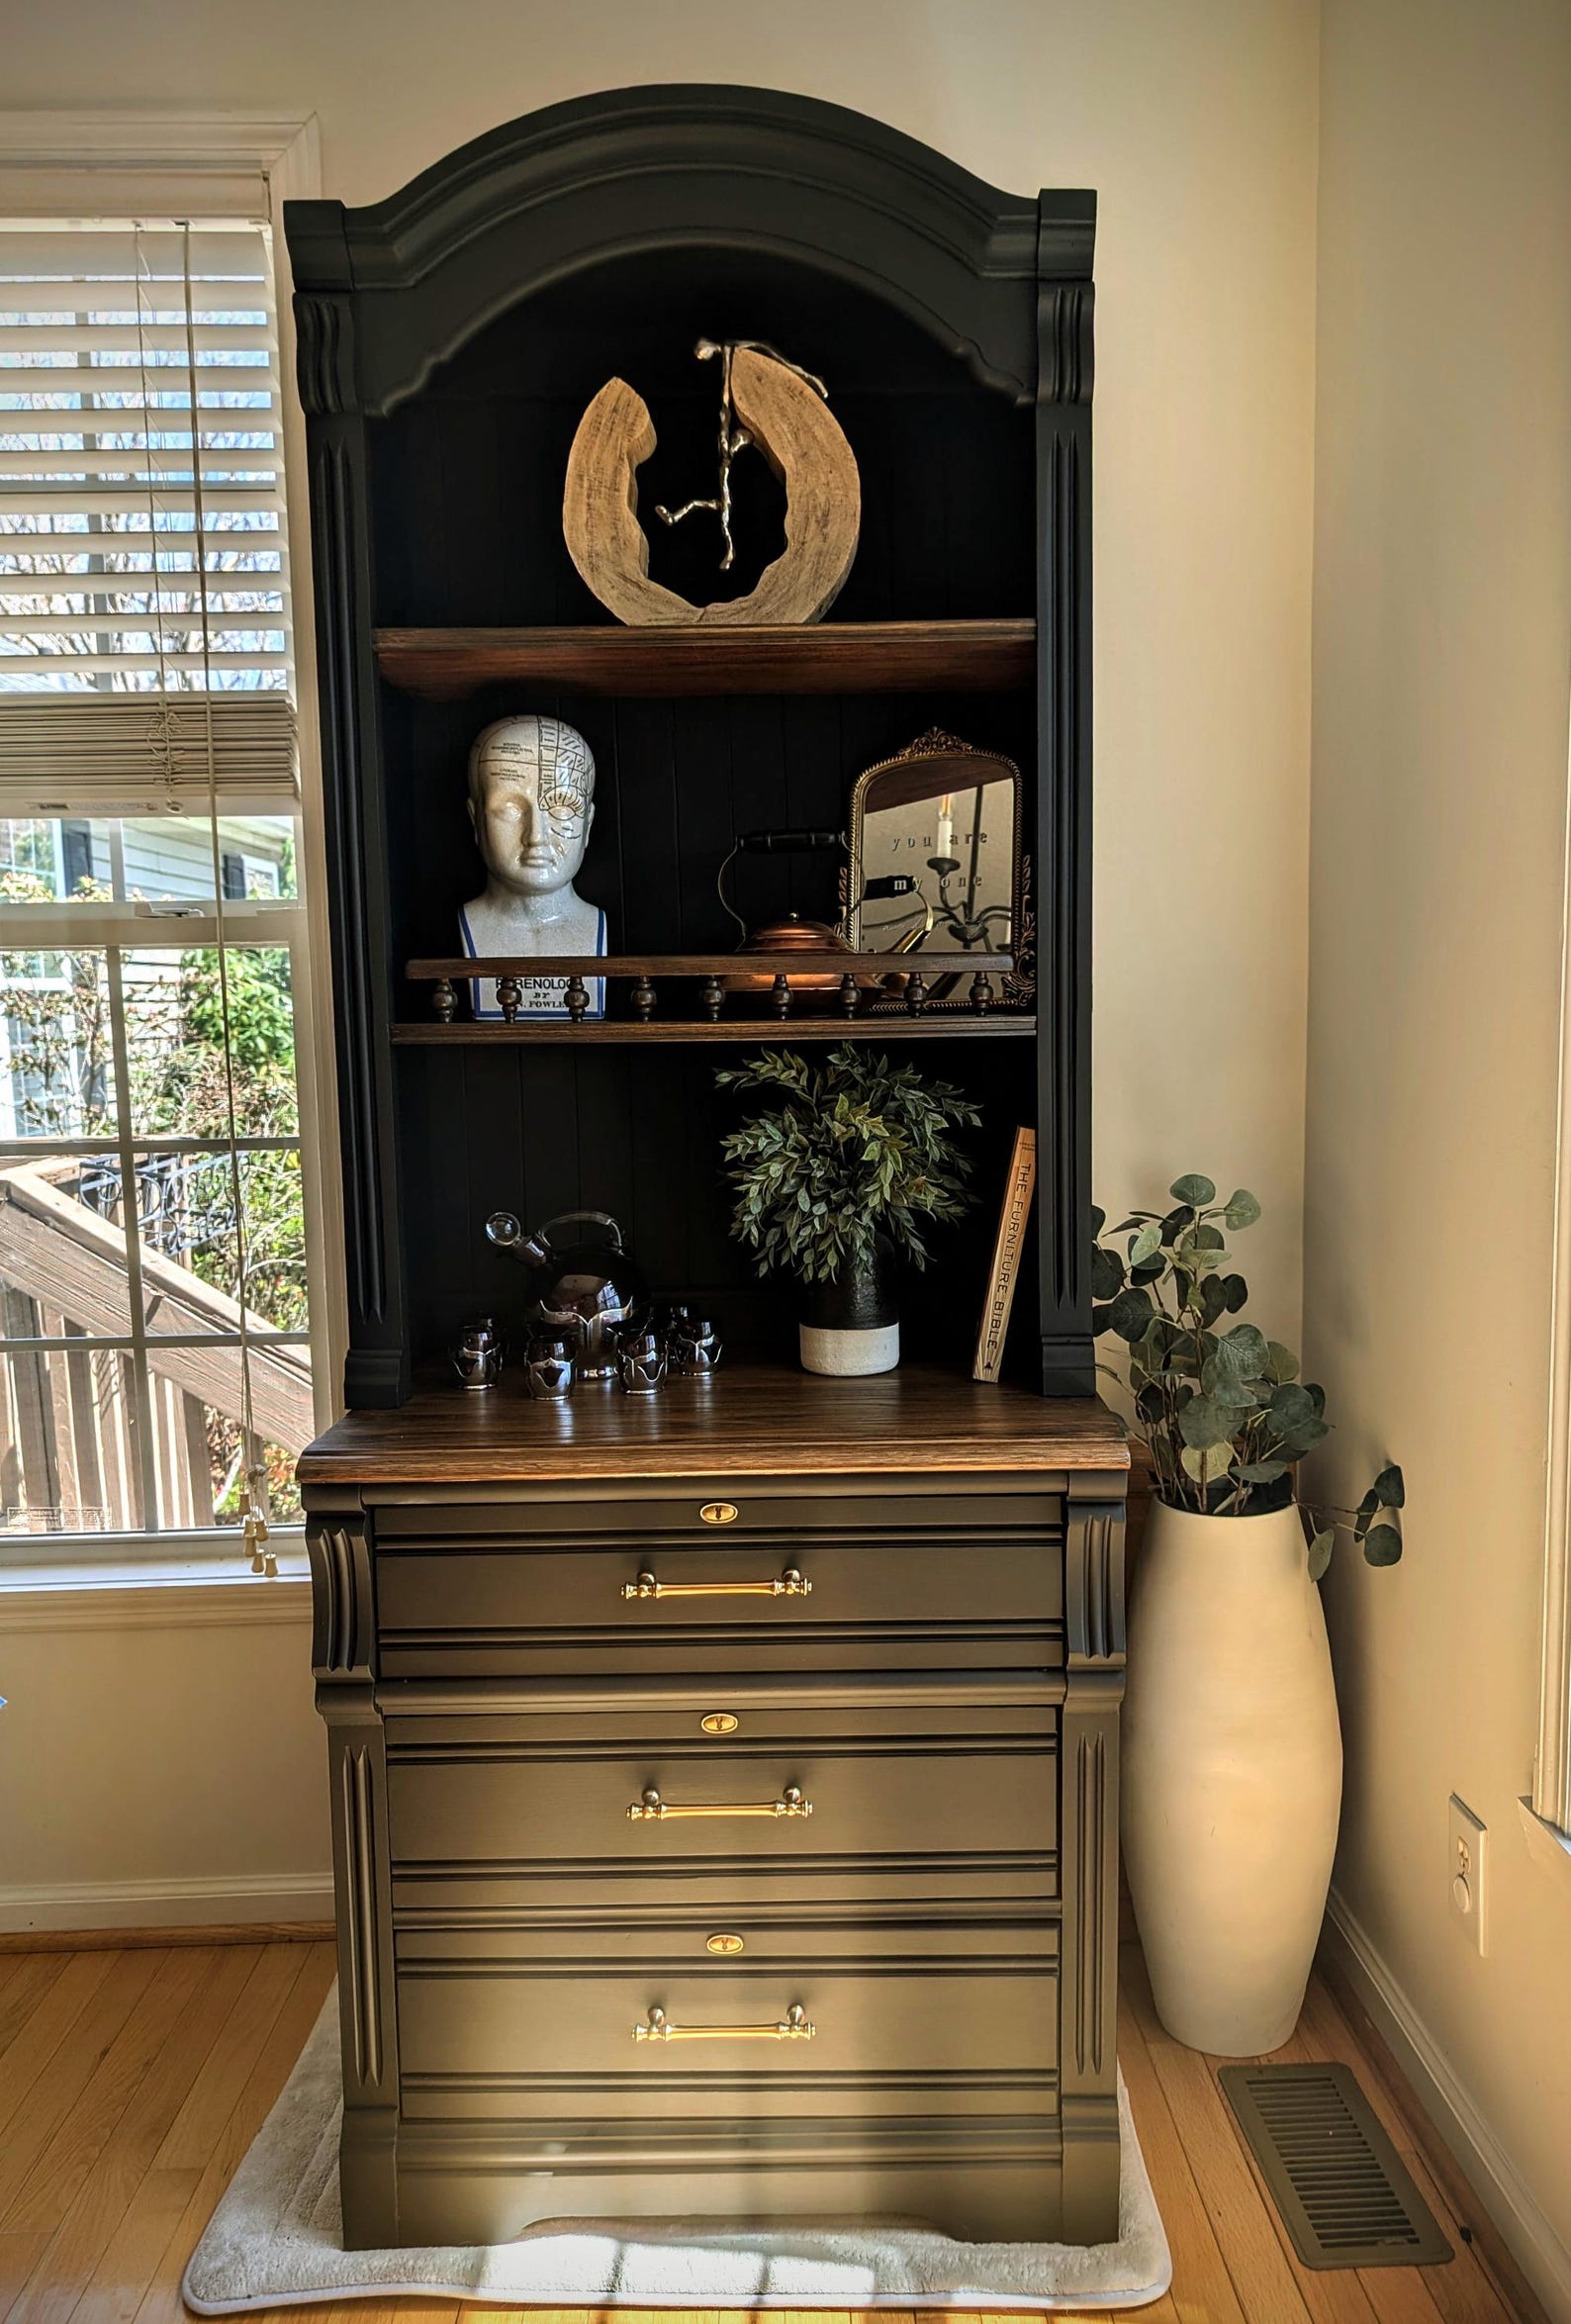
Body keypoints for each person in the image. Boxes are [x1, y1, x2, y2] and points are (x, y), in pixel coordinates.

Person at [458, 714, 606, 1019]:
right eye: (510, 808)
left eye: (562, 807)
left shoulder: (598, 927)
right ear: (476, 820)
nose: (536, 836)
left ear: (588, 824)